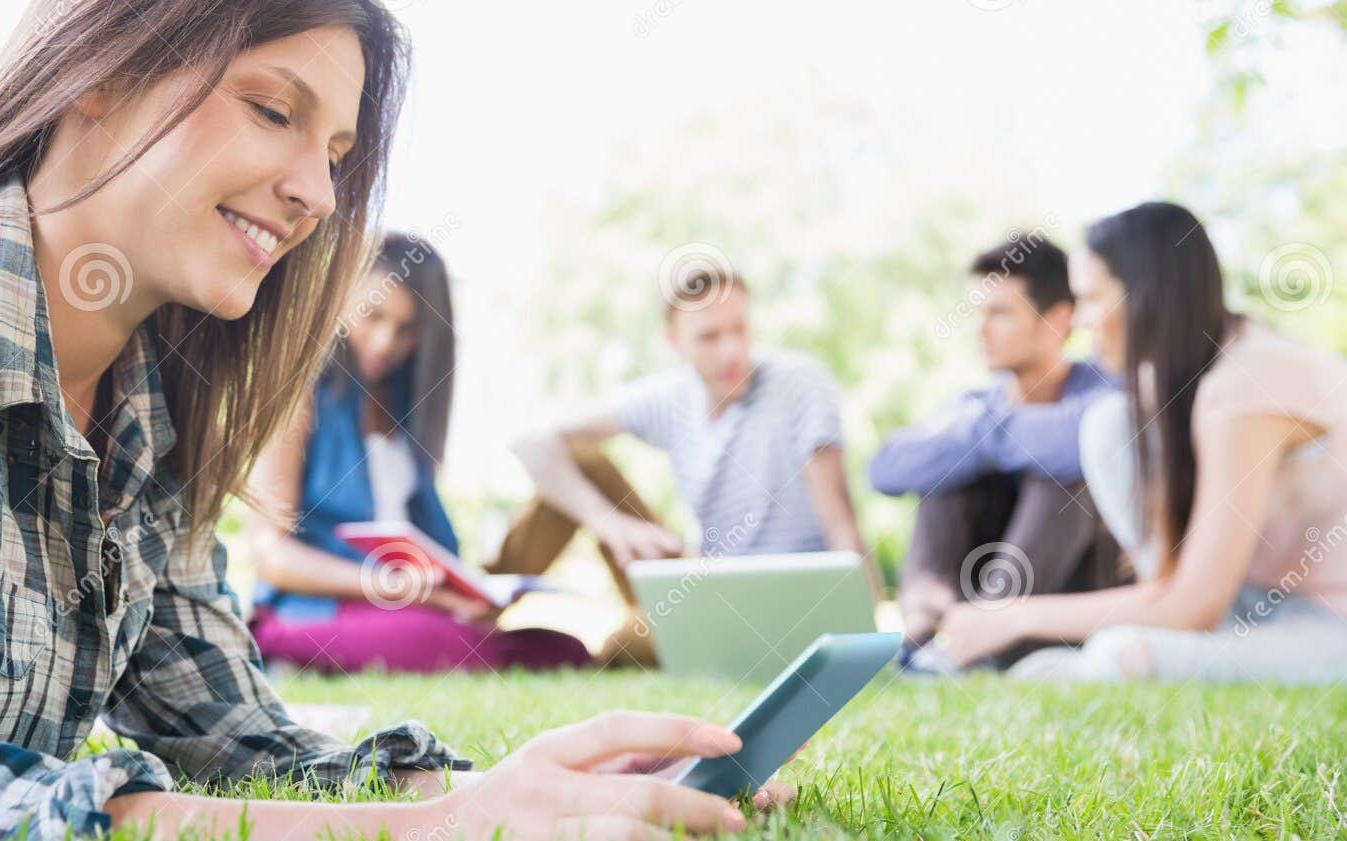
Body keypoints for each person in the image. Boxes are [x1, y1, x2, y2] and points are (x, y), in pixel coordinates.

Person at [0, 0, 784, 841]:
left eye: (336, 153)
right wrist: (436, 836)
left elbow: (232, 734)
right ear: (96, 71)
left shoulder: (154, 402)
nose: (317, 194)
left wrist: (534, 791)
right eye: (271, 110)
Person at [936, 202, 1347, 682]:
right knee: (1109, 424)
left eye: (1090, 300)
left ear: (1146, 297)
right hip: (1251, 606)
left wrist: (1012, 617)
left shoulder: (1247, 380)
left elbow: (1193, 604)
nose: (1080, 323)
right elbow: (1177, 586)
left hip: (1326, 622)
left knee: (1119, 654)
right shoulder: (1169, 386)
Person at [244, 234, 591, 672]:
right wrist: (392, 585)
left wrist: (461, 594)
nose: (385, 342)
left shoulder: (405, 408)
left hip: (398, 605)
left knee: (562, 648)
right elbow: (270, 555)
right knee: (464, 646)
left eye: (407, 330)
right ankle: (286, 653)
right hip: (310, 609)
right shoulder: (298, 396)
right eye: (373, 316)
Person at [507, 260, 875, 665]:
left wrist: (870, 635)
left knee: (623, 647)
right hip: (706, 586)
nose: (731, 350)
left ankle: (639, 639)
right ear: (673, 341)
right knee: (583, 463)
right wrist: (607, 522)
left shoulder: (801, 385)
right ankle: (483, 605)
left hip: (787, 602)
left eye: (740, 329)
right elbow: (532, 443)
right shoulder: (670, 398)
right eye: (709, 337)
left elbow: (843, 529)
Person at [869, 232, 1120, 662]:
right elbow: (885, 469)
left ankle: (983, 636)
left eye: (1000, 313)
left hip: (1071, 603)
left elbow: (1074, 444)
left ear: (1058, 320)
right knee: (943, 473)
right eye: (979, 313)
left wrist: (979, 436)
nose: (981, 329)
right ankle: (924, 630)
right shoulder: (976, 405)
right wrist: (985, 438)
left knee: (1059, 473)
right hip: (967, 591)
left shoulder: (1104, 392)